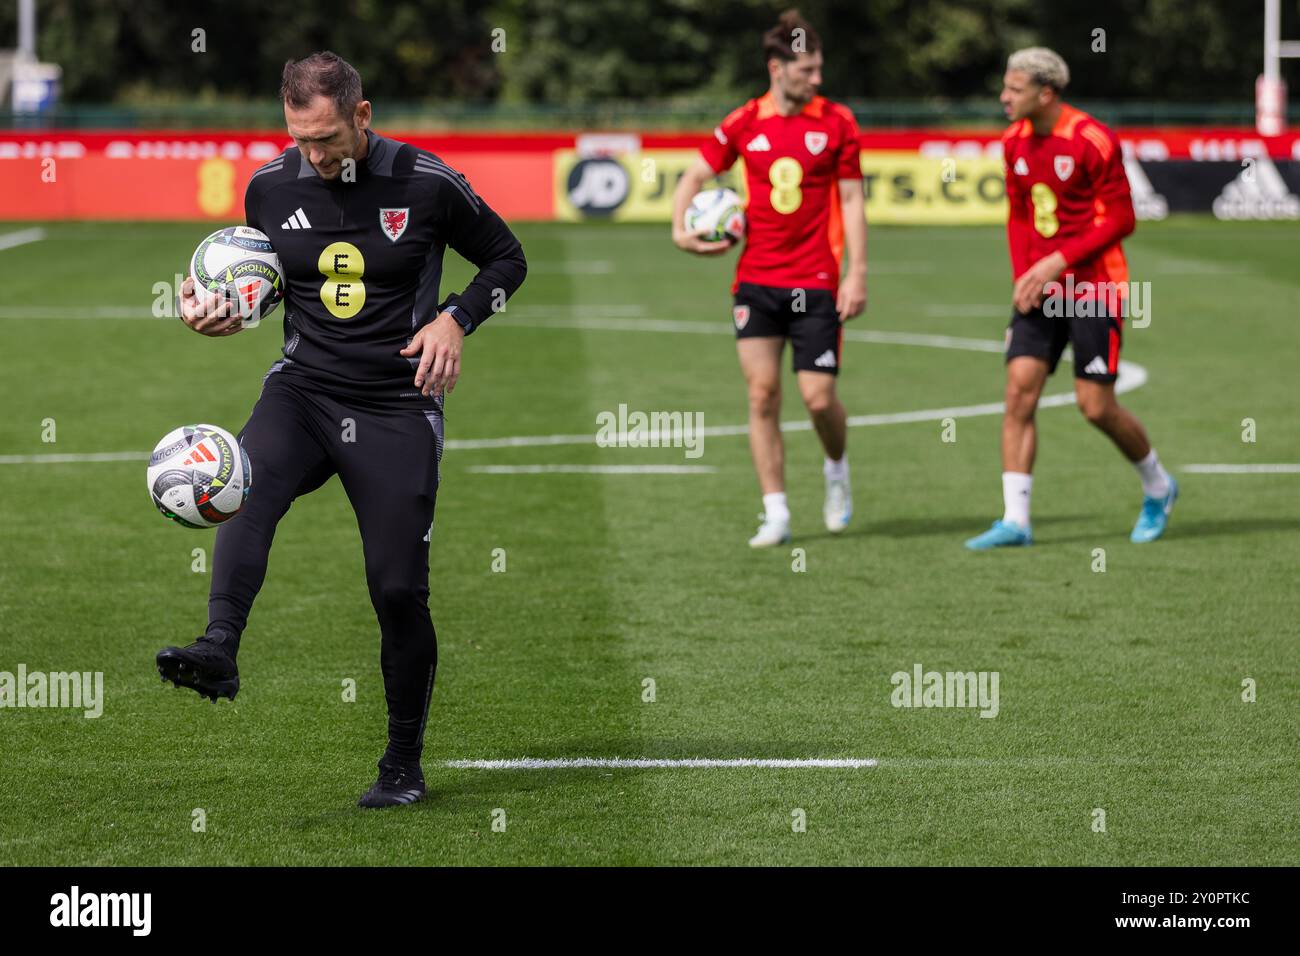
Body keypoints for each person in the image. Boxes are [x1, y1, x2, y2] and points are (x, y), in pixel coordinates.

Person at [155, 52, 527, 807]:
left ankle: (402, 763)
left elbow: (506, 258)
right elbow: (246, 279)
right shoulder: (270, 185)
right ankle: (220, 648)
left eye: (326, 138)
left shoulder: (426, 182)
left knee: (396, 588)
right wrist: (206, 310)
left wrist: (457, 318)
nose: (314, 156)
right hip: (305, 389)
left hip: (397, 402)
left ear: (362, 116)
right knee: (243, 487)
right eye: (300, 139)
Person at [966, 47, 1176, 550]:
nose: (1003, 97)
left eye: (1013, 90)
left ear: (1046, 93)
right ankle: (1015, 520)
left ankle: (1158, 486)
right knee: (1019, 389)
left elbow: (1123, 219)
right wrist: (1025, 277)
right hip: (1039, 287)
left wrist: (1057, 261)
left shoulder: (1092, 139)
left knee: (1095, 406)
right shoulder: (1014, 141)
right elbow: (1018, 214)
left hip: (1094, 288)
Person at [671, 9, 866, 548]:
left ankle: (836, 470)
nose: (817, 78)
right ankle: (775, 512)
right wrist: (679, 230)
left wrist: (857, 273)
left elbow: (851, 199)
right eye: (807, 68)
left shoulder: (838, 122)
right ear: (777, 67)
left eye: (820, 67)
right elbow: (695, 174)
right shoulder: (743, 122)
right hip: (756, 281)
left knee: (819, 398)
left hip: (818, 281)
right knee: (762, 396)